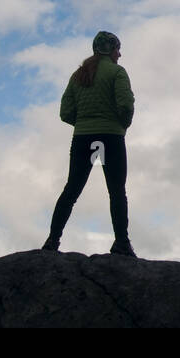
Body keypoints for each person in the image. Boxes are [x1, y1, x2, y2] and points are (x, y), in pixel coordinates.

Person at [42, 31, 137, 257]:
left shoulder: (78, 75)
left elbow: (65, 112)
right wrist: (121, 125)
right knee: (116, 191)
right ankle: (121, 243)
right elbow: (126, 105)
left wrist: (84, 123)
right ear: (110, 50)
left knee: (71, 190)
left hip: (83, 138)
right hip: (111, 137)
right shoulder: (117, 72)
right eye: (117, 49)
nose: (120, 54)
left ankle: (52, 241)